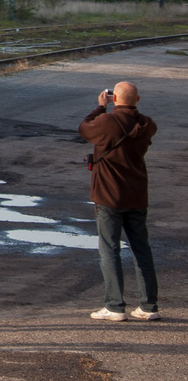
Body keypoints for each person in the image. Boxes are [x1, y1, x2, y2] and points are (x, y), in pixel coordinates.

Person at [79, 82, 160, 321]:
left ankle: (115, 306)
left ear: (114, 99)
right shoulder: (148, 124)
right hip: (137, 195)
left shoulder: (106, 122)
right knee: (142, 249)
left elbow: (84, 128)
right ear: (138, 99)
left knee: (110, 249)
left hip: (108, 195)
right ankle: (149, 306)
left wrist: (100, 107)